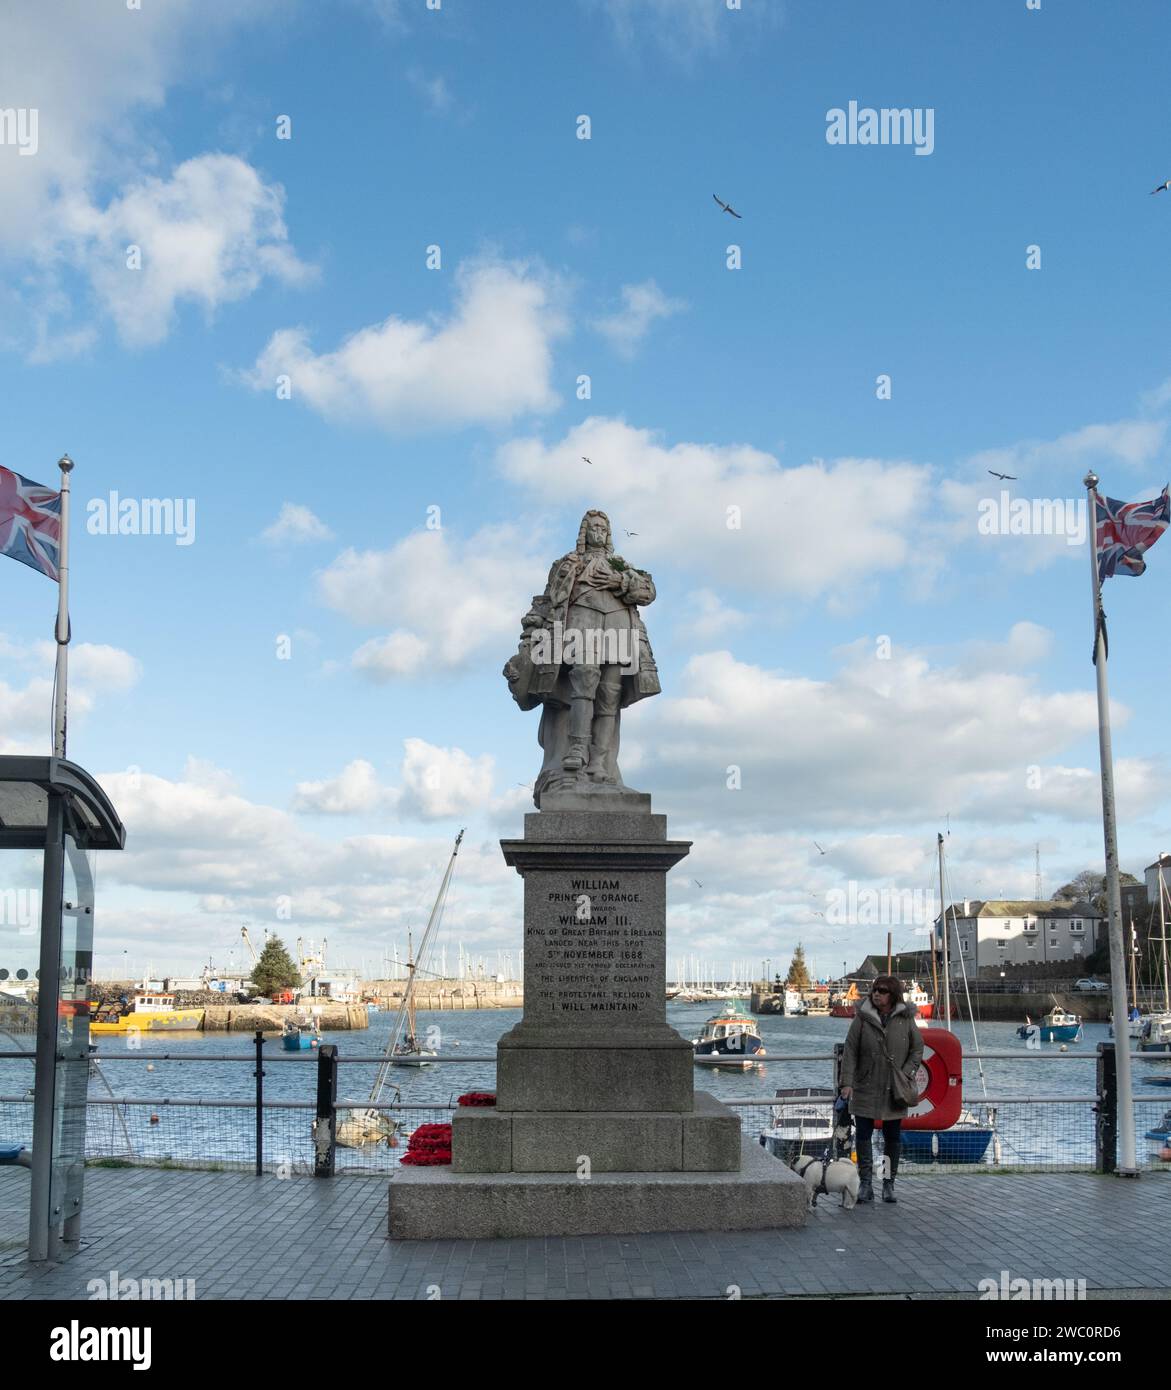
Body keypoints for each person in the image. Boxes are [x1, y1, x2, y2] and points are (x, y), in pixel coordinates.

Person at [839, 975, 923, 1204]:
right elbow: (850, 1050)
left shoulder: (906, 1019)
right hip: (865, 1086)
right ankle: (866, 1183)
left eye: (883, 991)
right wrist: (846, 1083)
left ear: (893, 995)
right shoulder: (862, 1018)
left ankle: (888, 1183)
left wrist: (906, 1073)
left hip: (893, 1088)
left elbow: (917, 1049)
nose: (877, 994)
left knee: (892, 1137)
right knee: (863, 1136)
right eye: (875, 990)